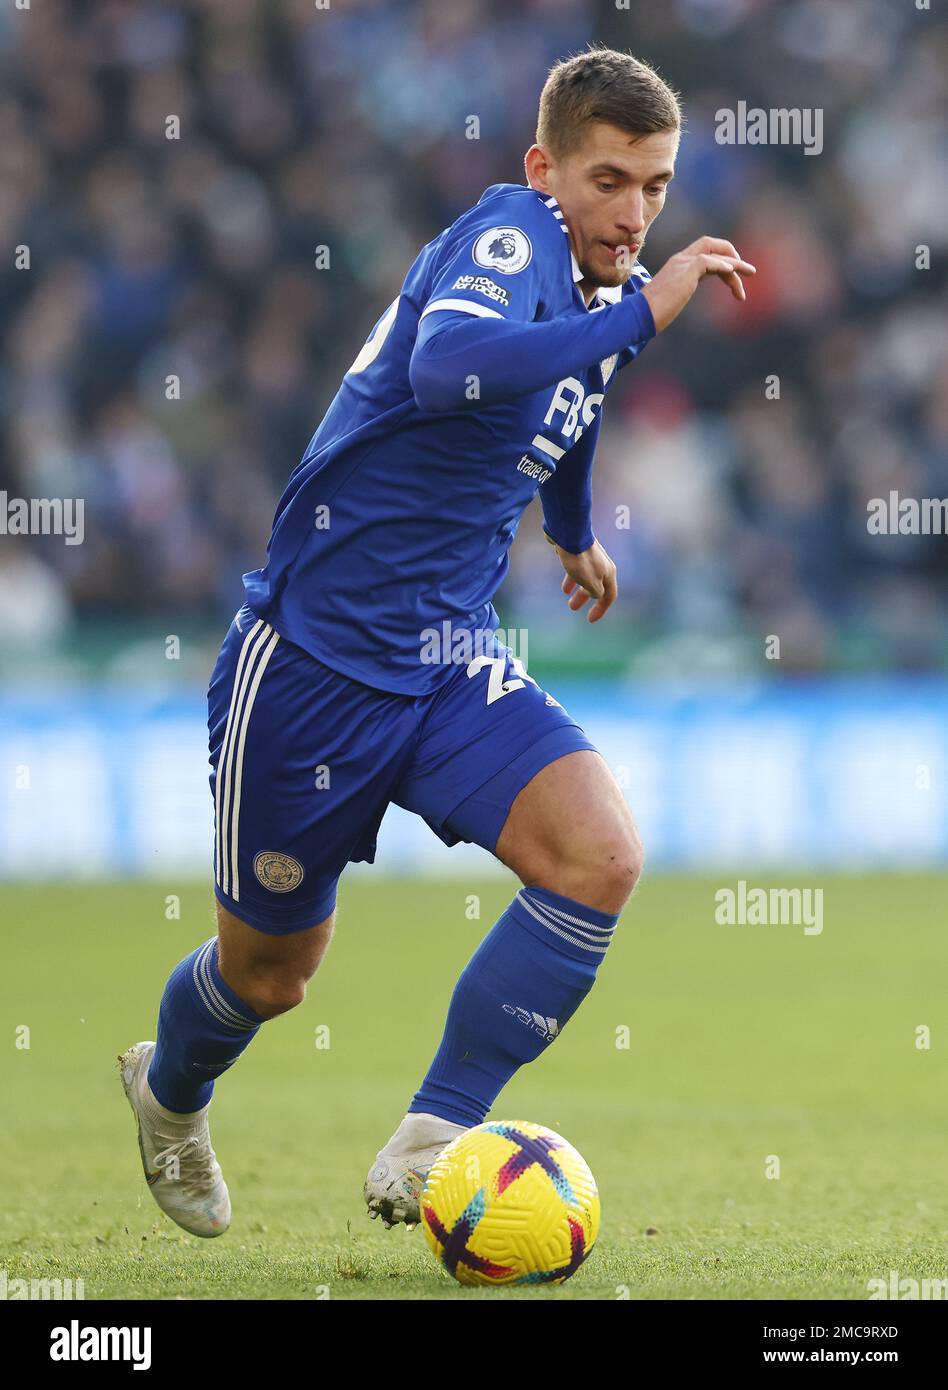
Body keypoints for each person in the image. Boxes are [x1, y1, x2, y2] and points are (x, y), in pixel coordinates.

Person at [120, 46, 754, 1237]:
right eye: (610, 179)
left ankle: (434, 1135)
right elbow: (450, 366)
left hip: (447, 653)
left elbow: (572, 401)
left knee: (599, 856)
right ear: (543, 169)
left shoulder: (585, 286)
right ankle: (168, 1091)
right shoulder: (509, 236)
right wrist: (641, 308)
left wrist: (570, 532)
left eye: (656, 185)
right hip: (311, 661)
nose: (635, 212)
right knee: (270, 975)